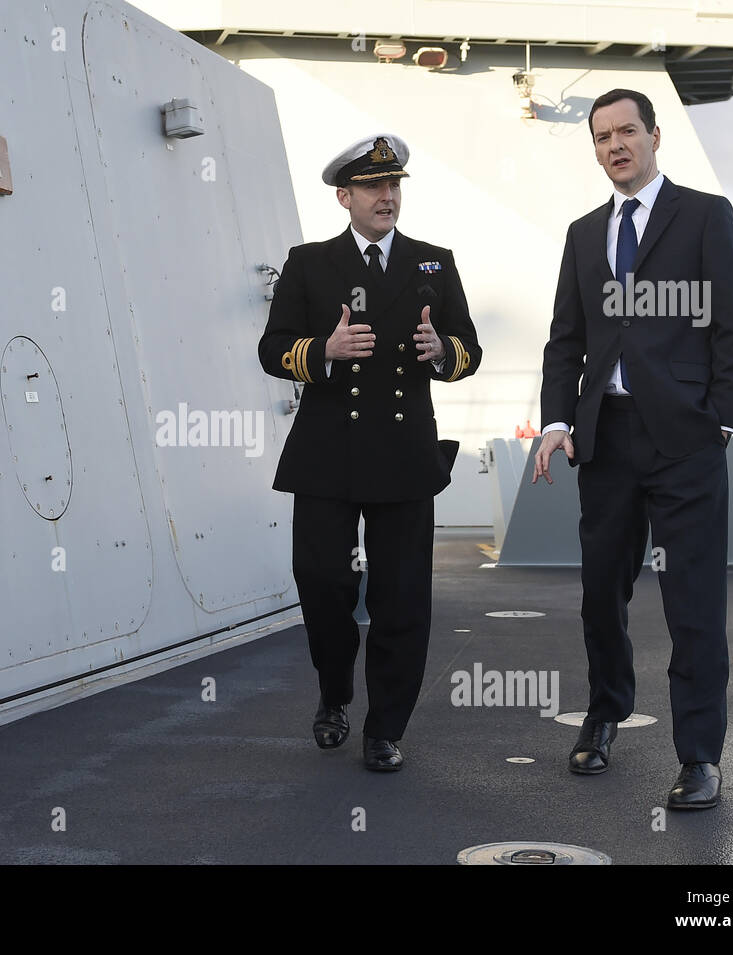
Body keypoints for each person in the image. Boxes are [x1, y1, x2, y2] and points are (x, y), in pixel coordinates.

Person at [533, 89, 733, 809]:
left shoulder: (705, 216)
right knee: (602, 591)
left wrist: (722, 416)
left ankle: (699, 756)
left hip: (686, 437)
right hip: (606, 438)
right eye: (602, 136)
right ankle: (604, 714)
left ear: (655, 136)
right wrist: (557, 420)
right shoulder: (580, 233)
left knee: (693, 601)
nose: (615, 144)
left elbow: (732, 319)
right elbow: (567, 340)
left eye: (628, 131)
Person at [258, 134, 482, 771]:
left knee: (402, 598)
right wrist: (322, 352)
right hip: (327, 454)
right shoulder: (309, 263)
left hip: (404, 454)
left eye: (395, 186)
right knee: (324, 583)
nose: (388, 196)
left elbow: (468, 347)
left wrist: (443, 353)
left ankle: (385, 727)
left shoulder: (435, 262)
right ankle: (335, 692)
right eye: (374, 187)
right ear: (345, 197)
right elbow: (272, 349)